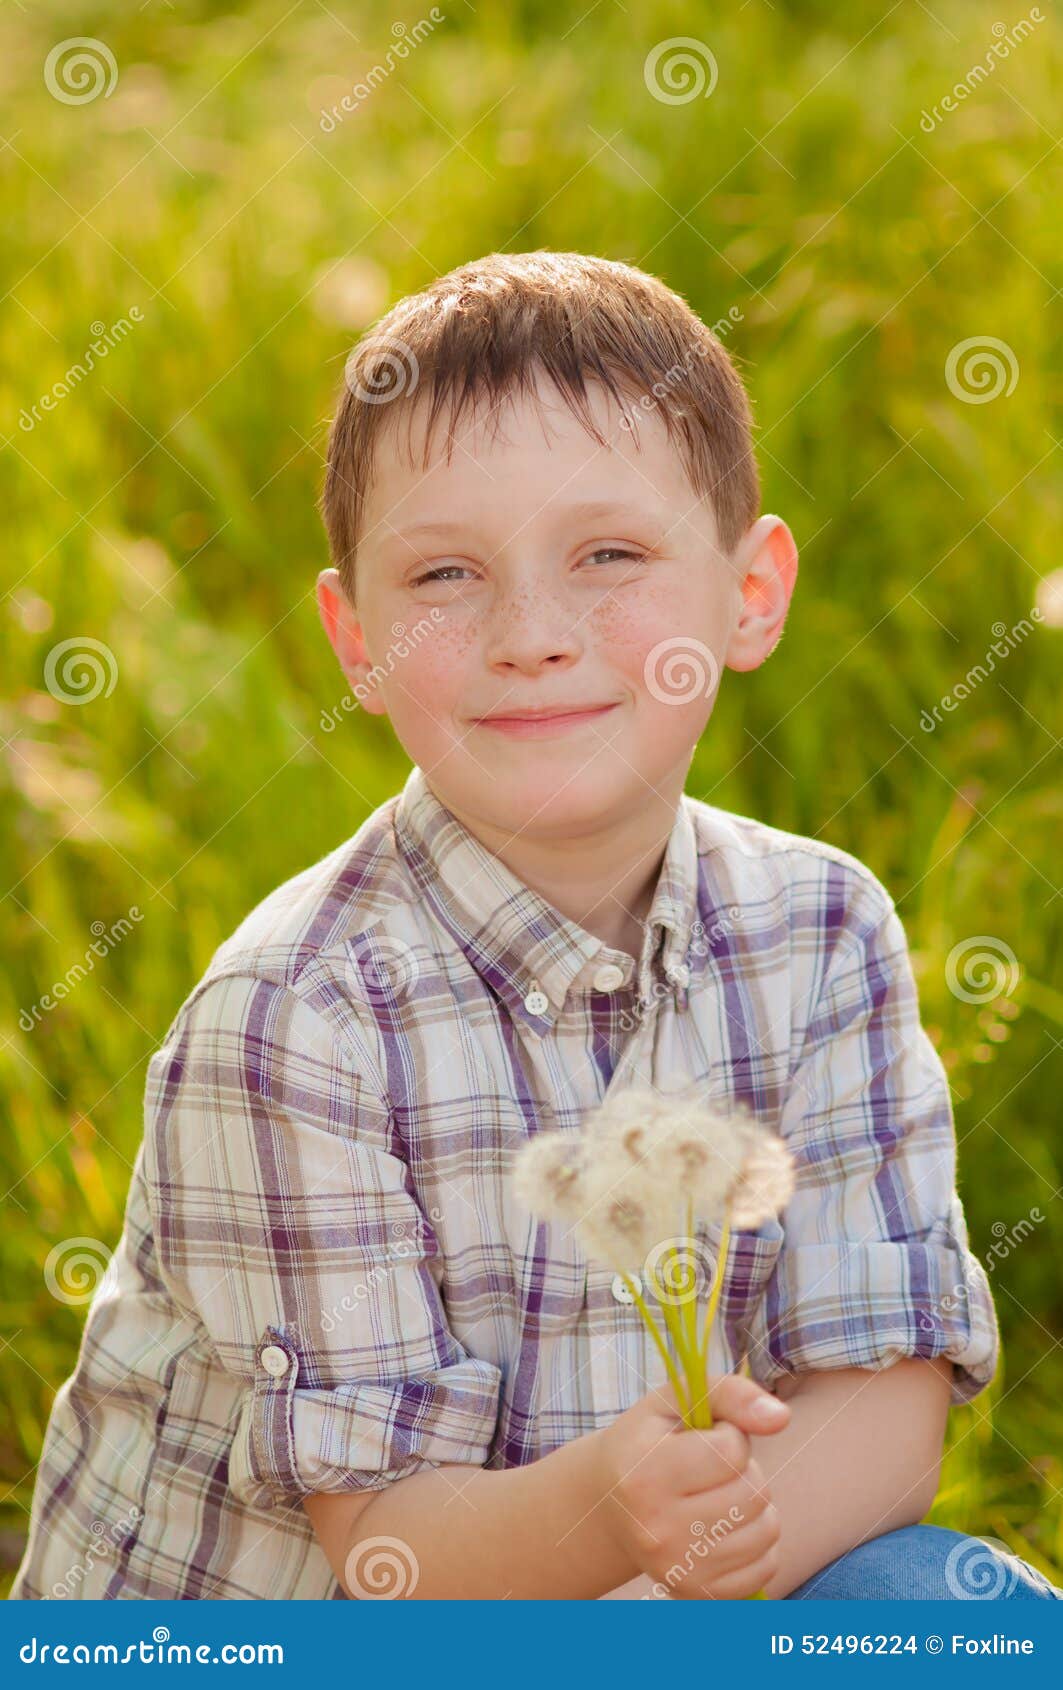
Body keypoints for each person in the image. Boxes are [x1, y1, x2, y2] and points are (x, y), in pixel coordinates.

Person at [12, 252, 1055, 1602]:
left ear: (751, 593)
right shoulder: (296, 1018)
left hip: (635, 1605)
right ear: (355, 637)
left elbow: (885, 1392)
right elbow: (387, 1547)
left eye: (608, 555)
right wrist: (614, 1520)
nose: (532, 633)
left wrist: (686, 1582)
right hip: (312, 1639)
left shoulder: (823, 932)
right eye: (446, 574)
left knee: (945, 1610)